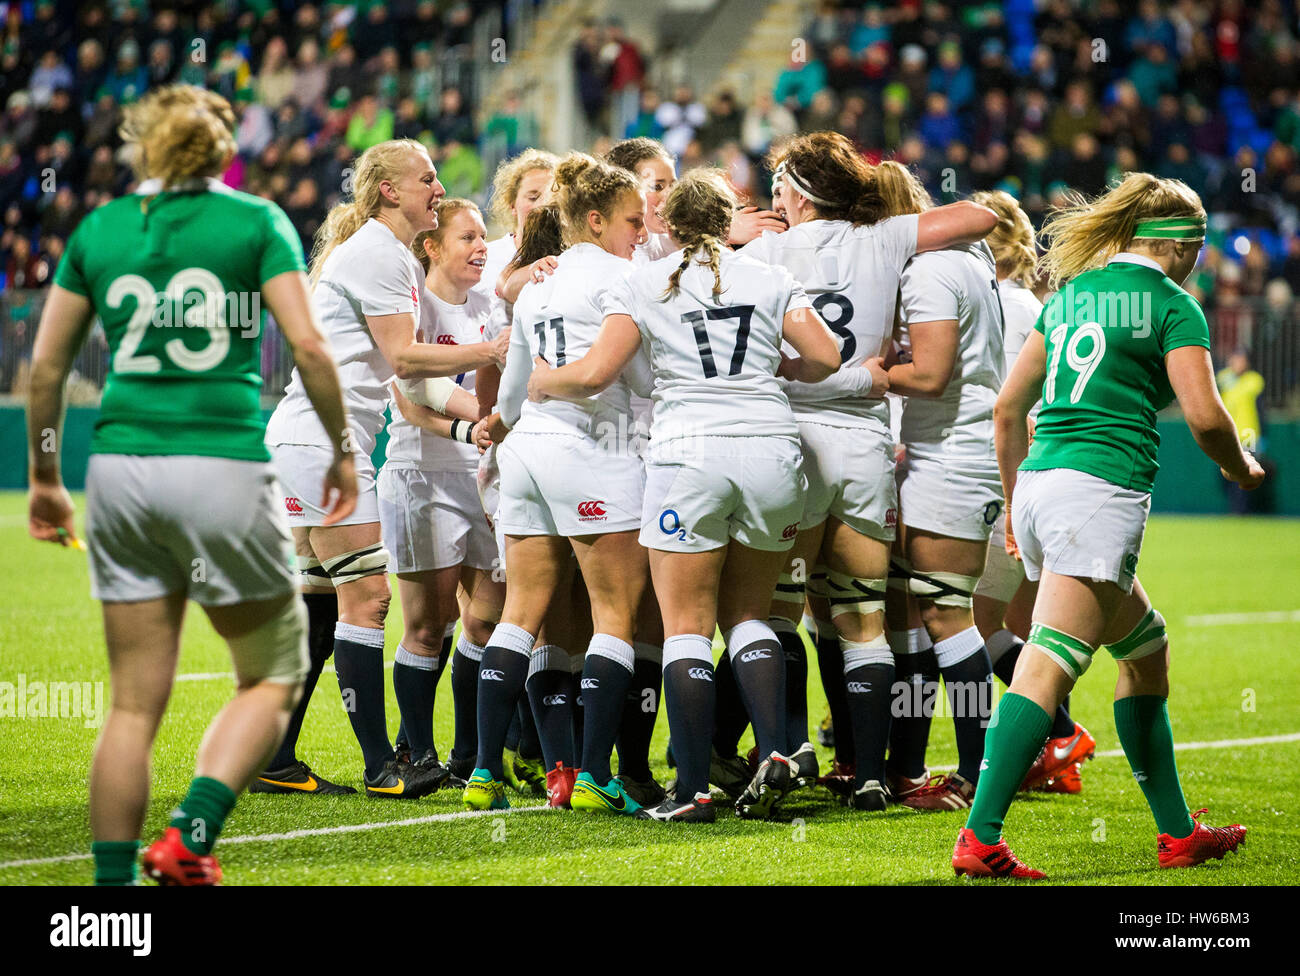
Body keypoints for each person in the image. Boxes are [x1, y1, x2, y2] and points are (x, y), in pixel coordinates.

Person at [25, 85, 355, 885]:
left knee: (133, 705)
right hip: (223, 468)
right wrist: (343, 447)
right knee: (273, 677)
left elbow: (45, 368)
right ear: (222, 149)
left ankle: (112, 895)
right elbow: (309, 348)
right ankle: (188, 835)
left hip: (121, 473)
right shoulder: (255, 222)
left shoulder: (100, 229)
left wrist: (44, 474)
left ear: (141, 144)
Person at [955, 174, 1262, 879]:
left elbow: (1009, 410)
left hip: (1040, 486)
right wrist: (1241, 467)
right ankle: (981, 838)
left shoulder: (1069, 297)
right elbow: (1208, 417)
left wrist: (1012, 504)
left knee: (1145, 649)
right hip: (1096, 492)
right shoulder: (1172, 305)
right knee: (1050, 662)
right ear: (1183, 247)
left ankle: (1180, 834)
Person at [527, 168, 841, 821]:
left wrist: (541, 382)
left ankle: (693, 789)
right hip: (770, 450)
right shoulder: (770, 277)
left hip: (688, 455)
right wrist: (778, 367)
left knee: (685, 627)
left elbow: (595, 374)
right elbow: (827, 358)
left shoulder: (642, 282)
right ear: (728, 222)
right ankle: (777, 750)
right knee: (751, 616)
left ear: (667, 223)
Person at [743, 135, 998, 811]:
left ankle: (787, 751)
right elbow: (982, 216)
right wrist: (888, 223)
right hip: (865, 442)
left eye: (779, 191)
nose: (773, 203)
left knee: (783, 611)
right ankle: (875, 777)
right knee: (864, 617)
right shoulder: (886, 239)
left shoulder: (762, 251)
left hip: (791, 441)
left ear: (799, 192)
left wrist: (737, 230)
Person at [261, 137, 505, 799]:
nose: (438, 186)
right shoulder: (380, 252)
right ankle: (383, 767)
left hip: (305, 441)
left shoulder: (377, 252)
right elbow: (403, 359)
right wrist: (494, 349)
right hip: (324, 446)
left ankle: (276, 757)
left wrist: (473, 407)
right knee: (367, 599)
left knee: (318, 608)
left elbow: (407, 371)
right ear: (390, 190)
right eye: (426, 178)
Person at [463, 152, 652, 816]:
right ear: (596, 220)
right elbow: (619, 377)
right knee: (614, 616)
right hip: (592, 450)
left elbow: (512, 391)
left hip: (529, 453)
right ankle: (597, 777)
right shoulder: (623, 279)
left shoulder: (535, 283)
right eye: (633, 219)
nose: (642, 230)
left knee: (522, 615)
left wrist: (500, 428)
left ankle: (484, 771)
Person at [881, 165, 1006, 813]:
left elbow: (929, 375)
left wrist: (866, 371)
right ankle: (911, 763)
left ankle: (974, 770)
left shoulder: (928, 269)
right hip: (957, 444)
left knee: (946, 616)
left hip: (950, 449)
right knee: (921, 611)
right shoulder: (965, 257)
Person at [969, 189, 1094, 796]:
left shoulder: (997, 303)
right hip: (1034, 473)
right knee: (1028, 620)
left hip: (1002, 473)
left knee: (972, 617)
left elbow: (1007, 406)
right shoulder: (1033, 304)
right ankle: (1058, 757)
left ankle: (1062, 731)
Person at [377, 198, 503, 782]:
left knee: (489, 617)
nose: (481, 247)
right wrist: (476, 420)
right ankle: (418, 752)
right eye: (466, 238)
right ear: (431, 246)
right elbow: (411, 392)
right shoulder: (413, 308)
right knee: (427, 627)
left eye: (483, 237)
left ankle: (469, 753)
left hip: (482, 477)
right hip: (420, 476)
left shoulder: (490, 306)